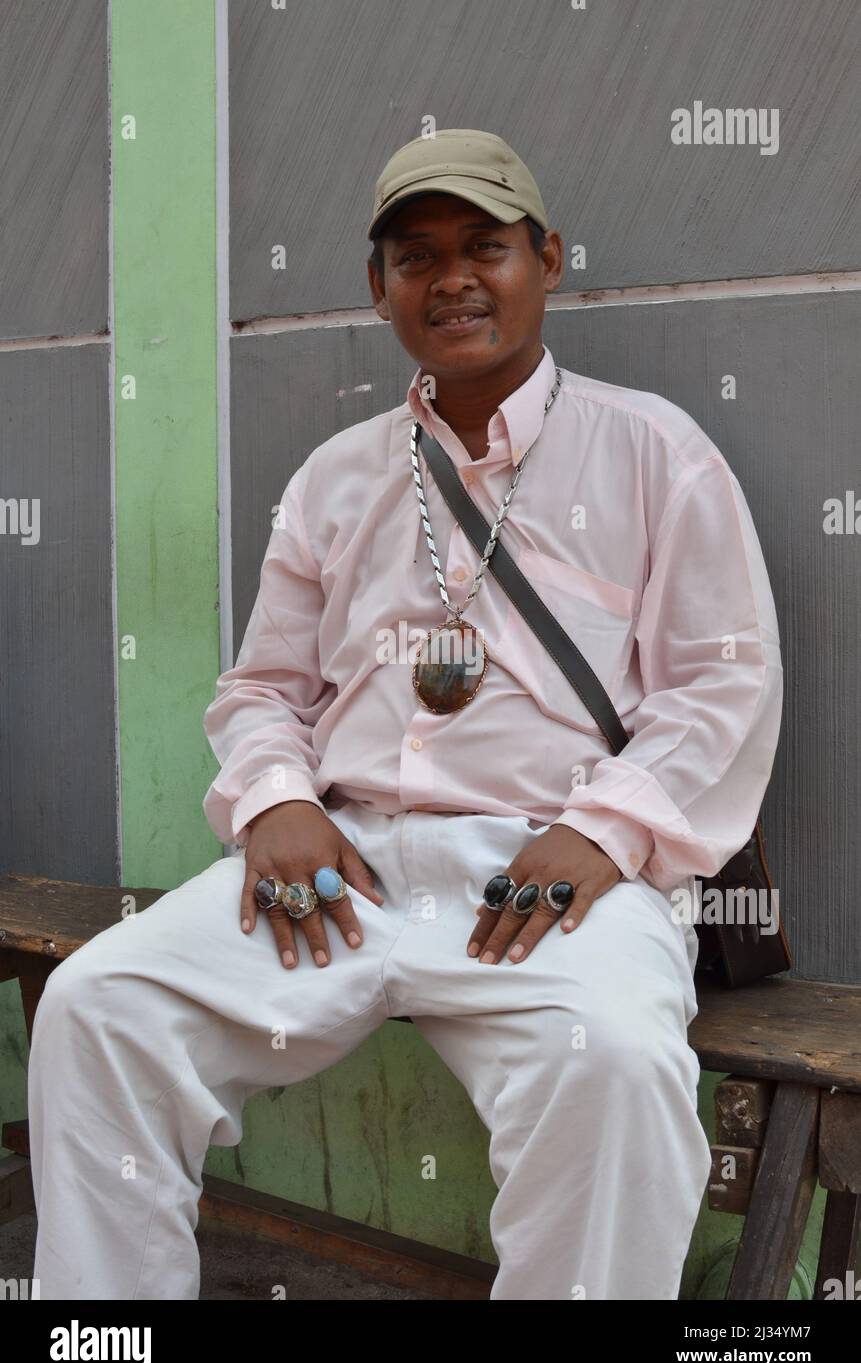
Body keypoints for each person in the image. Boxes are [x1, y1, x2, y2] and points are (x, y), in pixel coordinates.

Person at [27, 128, 783, 1300]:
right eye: (417, 255)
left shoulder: (656, 452)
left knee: (624, 1066)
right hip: (344, 875)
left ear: (549, 258)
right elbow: (267, 690)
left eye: (487, 245)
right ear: (379, 287)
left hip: (553, 884)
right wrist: (276, 799)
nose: (455, 278)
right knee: (99, 1006)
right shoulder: (336, 476)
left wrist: (604, 829)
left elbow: (722, 682)